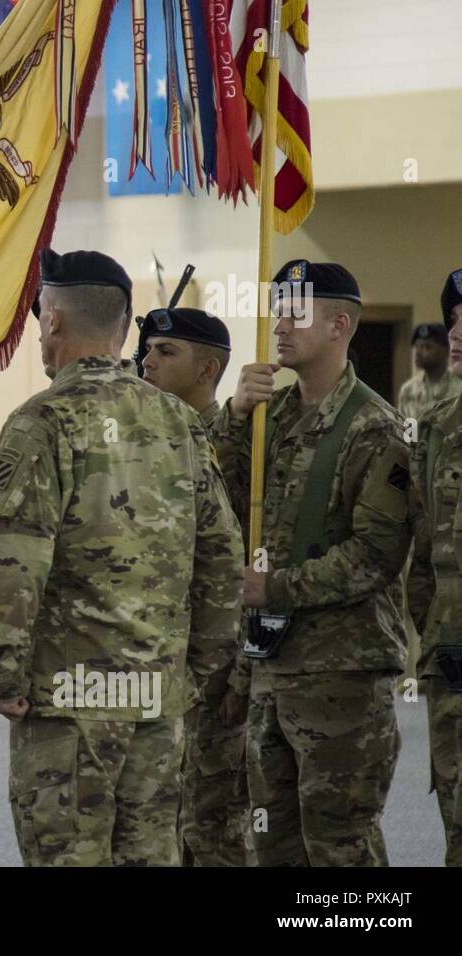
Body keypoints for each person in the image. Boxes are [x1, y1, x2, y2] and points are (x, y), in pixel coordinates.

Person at [0, 248, 243, 866]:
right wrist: (197, 673)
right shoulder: (179, 422)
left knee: (68, 853)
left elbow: (16, 563)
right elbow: (223, 556)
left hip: (70, 700)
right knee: (150, 854)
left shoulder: (40, 422)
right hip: (157, 695)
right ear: (125, 325)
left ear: (53, 319)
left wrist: (6, 673)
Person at [214, 259, 410, 866]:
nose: (279, 325)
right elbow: (218, 501)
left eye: (295, 313)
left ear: (339, 325)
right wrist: (234, 418)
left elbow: (374, 556)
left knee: (340, 846)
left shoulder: (375, 429)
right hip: (271, 664)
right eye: (278, 311)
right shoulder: (272, 417)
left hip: (341, 673)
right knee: (274, 843)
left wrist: (271, 589)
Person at [137, 307, 248, 866]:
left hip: (212, 666)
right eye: (146, 350)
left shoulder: (239, 444)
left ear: (207, 369)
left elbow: (237, 567)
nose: (147, 361)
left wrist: (235, 671)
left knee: (214, 825)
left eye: (165, 351)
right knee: (162, 823)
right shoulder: (148, 440)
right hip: (157, 662)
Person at [405, 265, 462, 866]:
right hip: (451, 659)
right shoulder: (438, 430)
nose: (457, 333)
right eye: (454, 320)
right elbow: (423, 550)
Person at [398, 323, 460, 425]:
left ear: (446, 351)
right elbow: (405, 429)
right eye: (417, 347)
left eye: (427, 347)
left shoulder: (458, 388)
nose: (418, 352)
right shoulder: (408, 390)